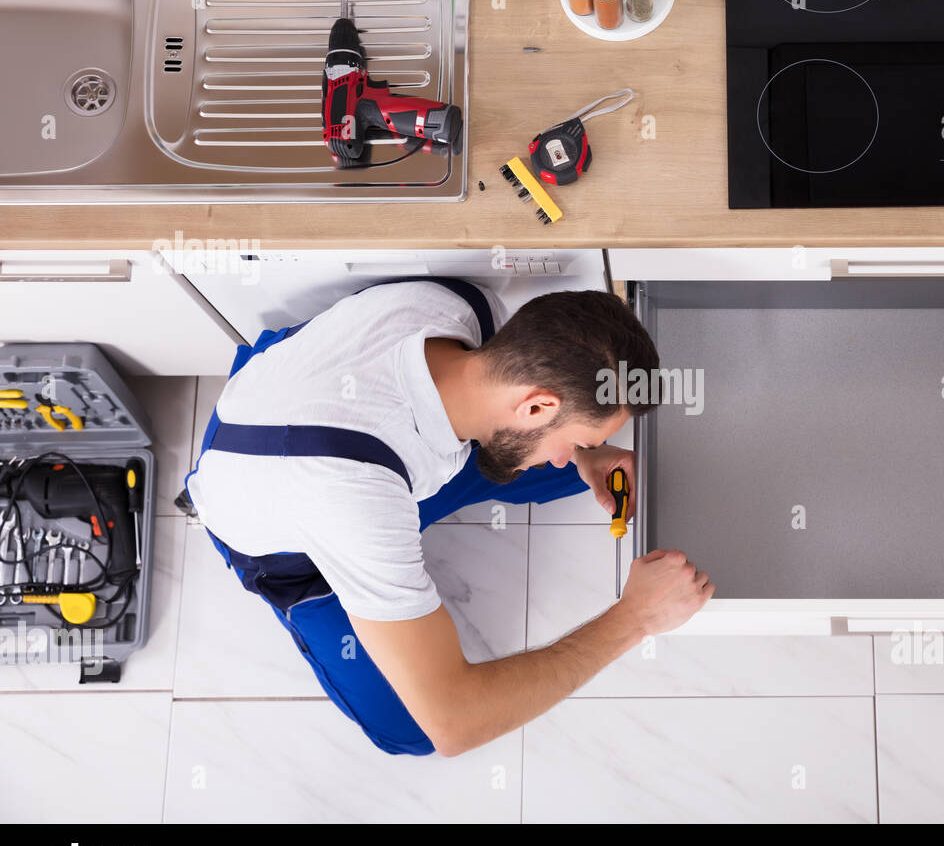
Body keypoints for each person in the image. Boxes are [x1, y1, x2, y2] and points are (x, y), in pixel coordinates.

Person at [185, 279, 714, 756]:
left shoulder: (464, 307)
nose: (568, 453)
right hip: (292, 532)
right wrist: (634, 618)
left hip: (311, 411)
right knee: (414, 728)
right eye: (575, 441)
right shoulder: (350, 502)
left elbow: (533, 427)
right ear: (536, 407)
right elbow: (455, 722)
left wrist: (584, 457)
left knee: (552, 468)